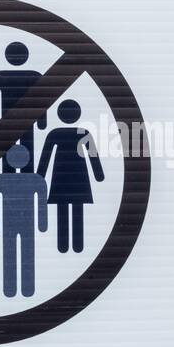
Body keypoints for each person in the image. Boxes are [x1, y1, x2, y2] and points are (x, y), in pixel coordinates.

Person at [37, 99, 104, 254]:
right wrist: (98, 175)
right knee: (77, 210)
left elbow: (45, 157)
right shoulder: (83, 133)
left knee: (63, 211)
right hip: (79, 176)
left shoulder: (55, 133)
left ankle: (63, 245)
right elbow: (93, 157)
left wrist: (40, 175)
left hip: (60, 176)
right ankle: (77, 245)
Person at [0, 144, 48, 297]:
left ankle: (10, 289)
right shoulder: (35, 180)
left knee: (10, 255)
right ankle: (27, 289)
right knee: (26, 255)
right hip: (26, 223)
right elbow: (41, 204)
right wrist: (42, 224)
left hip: (10, 224)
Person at [0, 42, 47, 172]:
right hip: (25, 121)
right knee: (27, 148)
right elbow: (42, 100)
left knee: (10, 153)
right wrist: (42, 122)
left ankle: (11, 177)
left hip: (8, 123)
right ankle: (26, 176)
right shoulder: (34, 76)